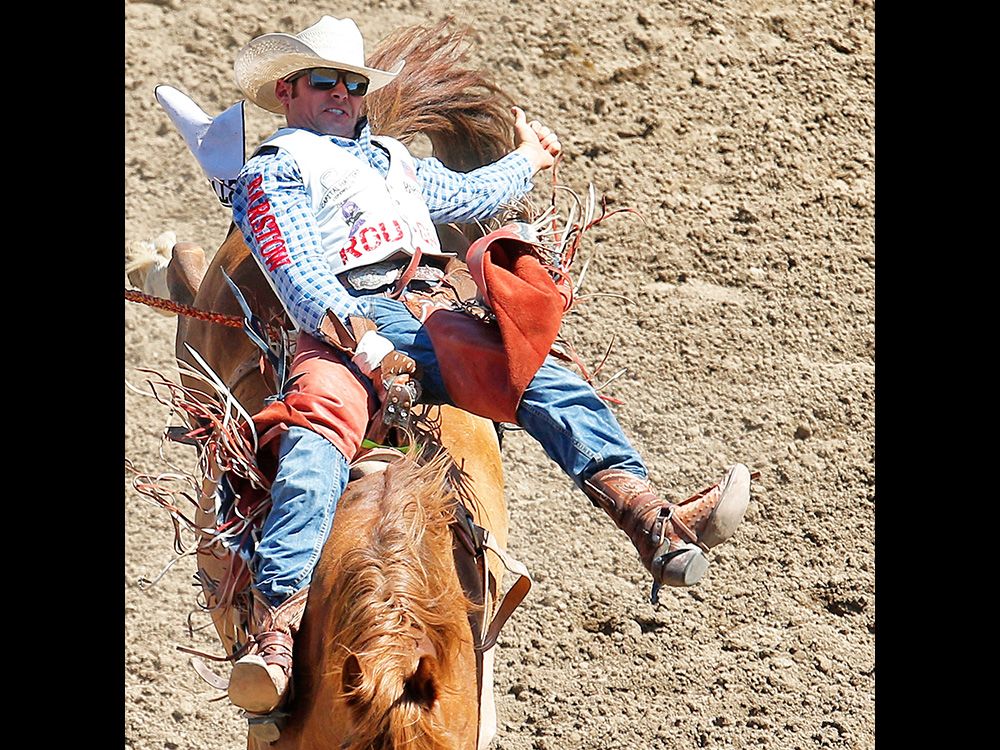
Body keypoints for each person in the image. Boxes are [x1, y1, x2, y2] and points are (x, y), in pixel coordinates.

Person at [226, 15, 752, 715]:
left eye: (353, 83)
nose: (344, 95)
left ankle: (652, 521)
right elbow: (294, 271)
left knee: (543, 376)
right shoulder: (274, 167)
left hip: (432, 311)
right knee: (317, 436)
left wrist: (527, 160)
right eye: (328, 82)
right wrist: (365, 344)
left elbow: (464, 195)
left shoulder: (390, 161)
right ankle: (278, 632)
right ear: (289, 90)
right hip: (345, 323)